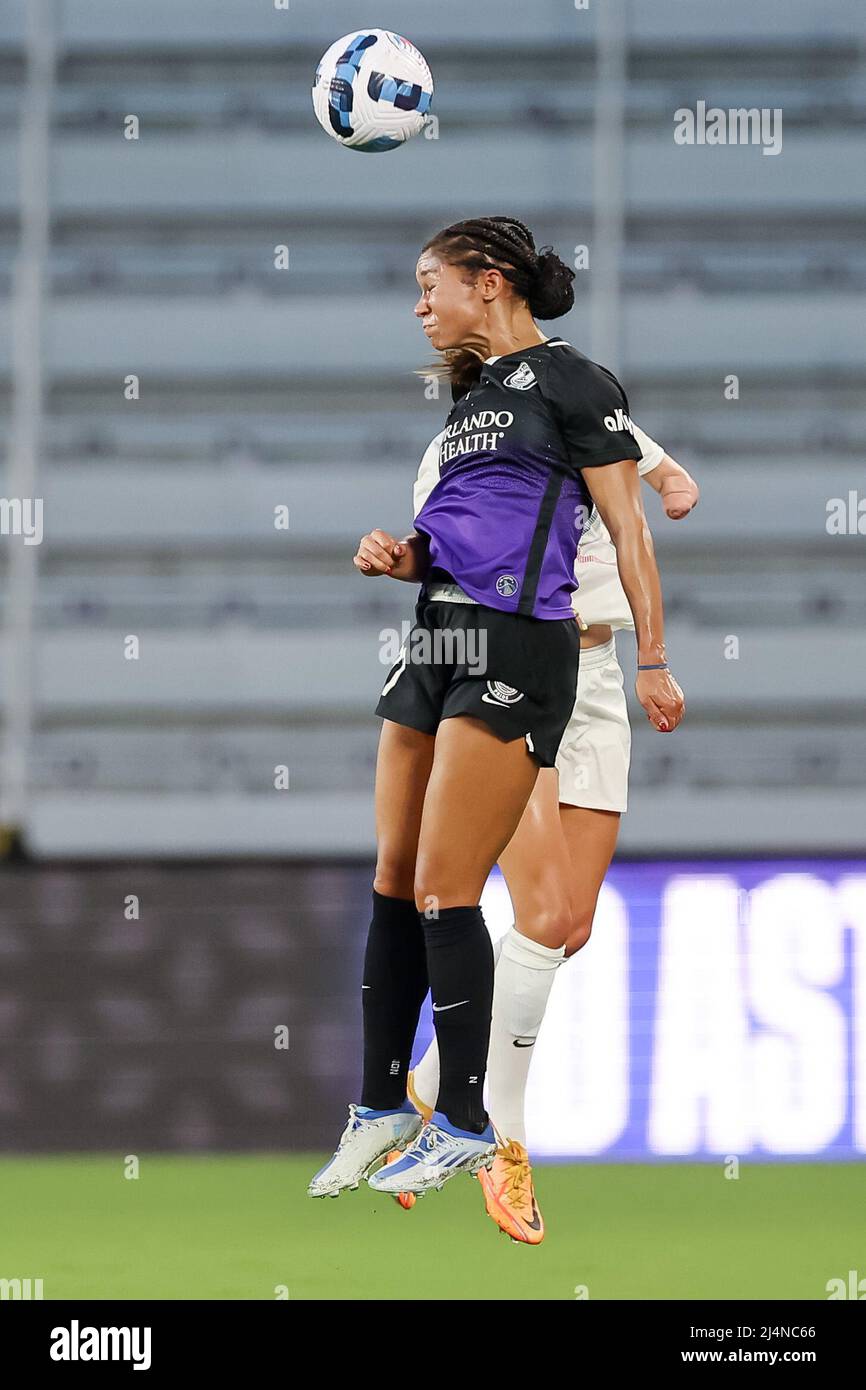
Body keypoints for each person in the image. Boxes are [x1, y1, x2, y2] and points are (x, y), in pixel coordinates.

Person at [307, 215, 683, 1200]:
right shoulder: (465, 403)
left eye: (428, 284)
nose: (417, 306)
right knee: (396, 876)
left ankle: (470, 1120)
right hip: (437, 636)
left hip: (518, 645)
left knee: (456, 887)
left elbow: (627, 527)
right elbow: (457, 537)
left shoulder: (571, 381)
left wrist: (653, 657)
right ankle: (383, 1103)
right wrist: (401, 554)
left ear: (487, 280)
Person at [386, 422, 697, 1238]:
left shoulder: (576, 409)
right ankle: (501, 1139)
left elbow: (654, 465)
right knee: (545, 916)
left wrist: (671, 483)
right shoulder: (452, 454)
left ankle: (425, 1087)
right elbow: (443, 573)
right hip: (518, 668)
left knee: (574, 927)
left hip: (598, 681)